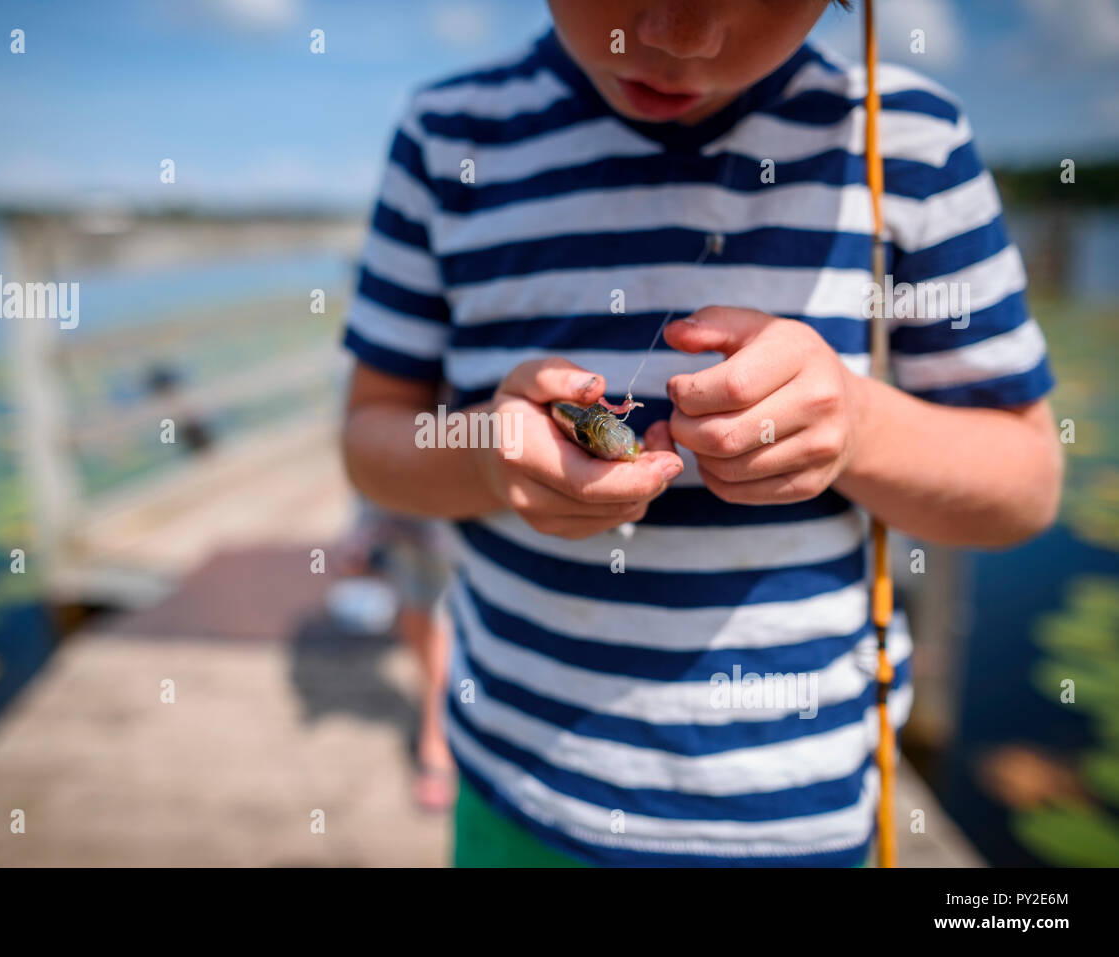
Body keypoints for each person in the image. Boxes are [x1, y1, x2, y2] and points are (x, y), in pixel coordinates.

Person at [340, 0, 1062, 866]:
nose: (679, 36)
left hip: (798, 823)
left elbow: (1024, 487)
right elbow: (371, 440)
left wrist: (859, 427)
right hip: (513, 787)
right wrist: (486, 460)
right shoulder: (446, 136)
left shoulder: (905, 144)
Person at [334, 501, 457, 813]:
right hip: (398, 494)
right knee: (413, 596)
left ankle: (435, 735)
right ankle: (436, 708)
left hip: (456, 489)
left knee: (442, 605)